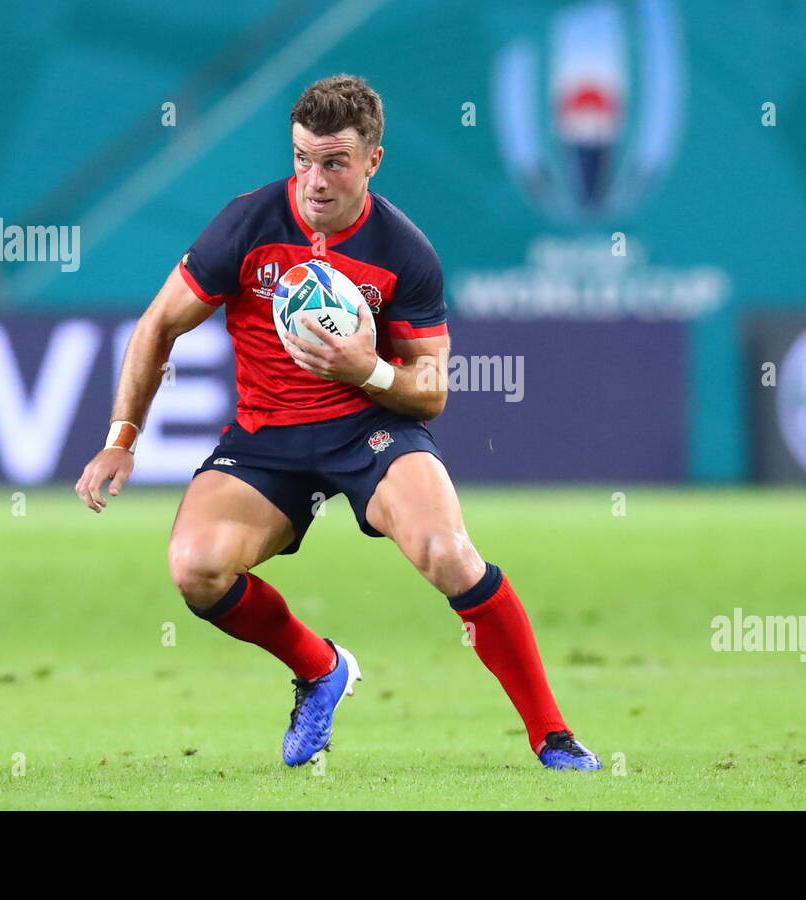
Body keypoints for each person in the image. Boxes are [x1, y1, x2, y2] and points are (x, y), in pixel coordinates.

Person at [74, 74, 599, 771]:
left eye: (334, 162)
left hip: (371, 429)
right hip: (267, 440)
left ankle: (551, 734)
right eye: (301, 159)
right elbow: (158, 324)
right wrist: (120, 441)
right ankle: (321, 670)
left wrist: (368, 372)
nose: (314, 180)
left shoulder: (403, 251)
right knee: (195, 568)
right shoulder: (248, 224)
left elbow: (432, 389)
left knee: (447, 552)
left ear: (372, 161)